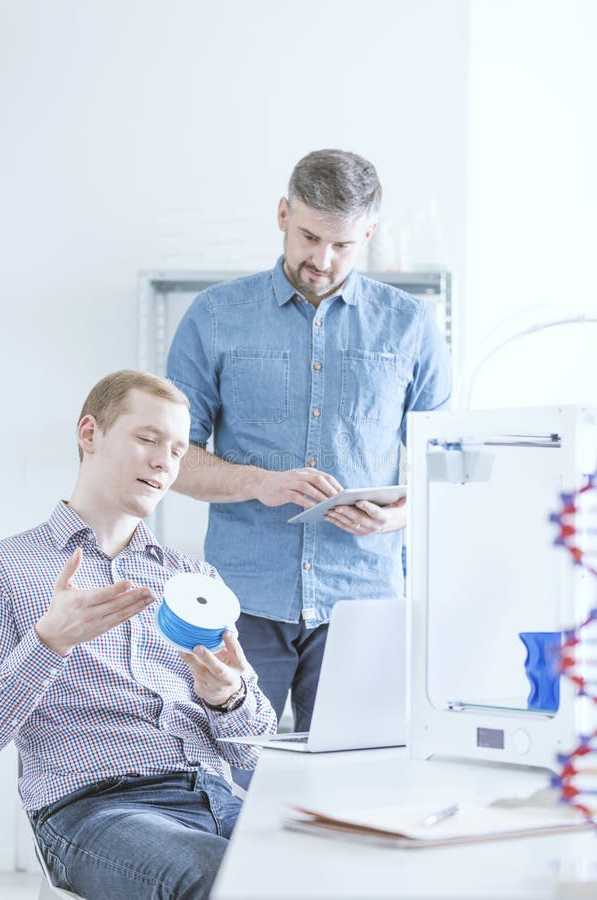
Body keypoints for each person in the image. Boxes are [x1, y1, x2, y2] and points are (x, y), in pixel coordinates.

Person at [167, 148, 451, 735]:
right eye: (309, 236)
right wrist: (258, 482)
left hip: (363, 606)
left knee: (355, 793)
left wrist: (399, 517)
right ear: (282, 214)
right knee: (232, 790)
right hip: (242, 606)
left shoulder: (411, 325)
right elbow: (171, 459)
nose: (321, 260)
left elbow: (448, 467)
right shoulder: (214, 316)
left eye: (343, 245)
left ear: (369, 232)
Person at [0, 370, 276, 900]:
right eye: (147, 439)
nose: (164, 462)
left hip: (217, 795)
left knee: (336, 864)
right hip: (94, 809)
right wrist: (48, 643)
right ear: (89, 434)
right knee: (223, 876)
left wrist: (227, 698)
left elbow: (252, 753)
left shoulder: (195, 581)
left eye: (176, 450)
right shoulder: (8, 568)